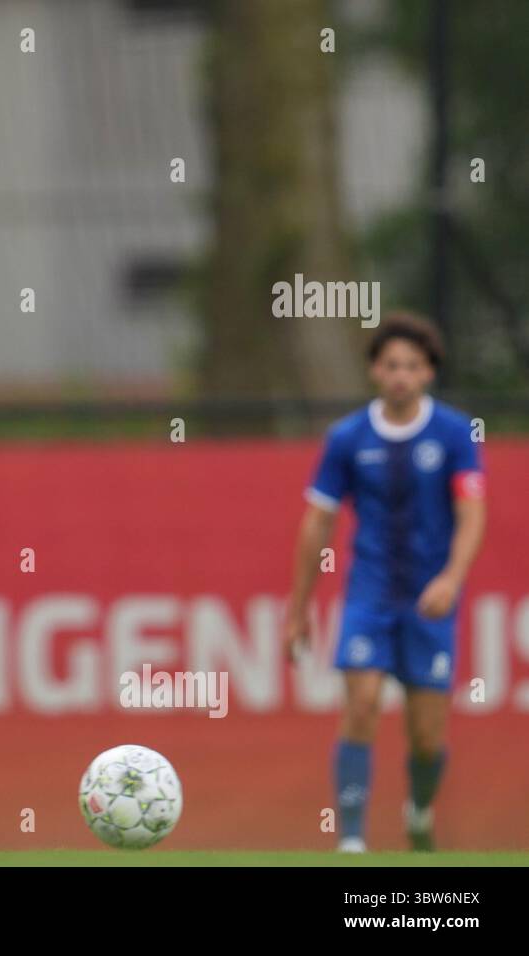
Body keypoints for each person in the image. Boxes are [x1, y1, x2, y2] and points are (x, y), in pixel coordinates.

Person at [285, 313, 486, 852]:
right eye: (391, 364)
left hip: (430, 601)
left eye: (412, 366)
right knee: (362, 703)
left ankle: (418, 811)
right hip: (370, 594)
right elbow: (317, 522)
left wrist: (452, 578)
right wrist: (297, 609)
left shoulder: (454, 433)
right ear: (375, 370)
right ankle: (351, 840)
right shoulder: (347, 437)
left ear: (428, 374)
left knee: (426, 738)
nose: (401, 375)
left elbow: (472, 513)